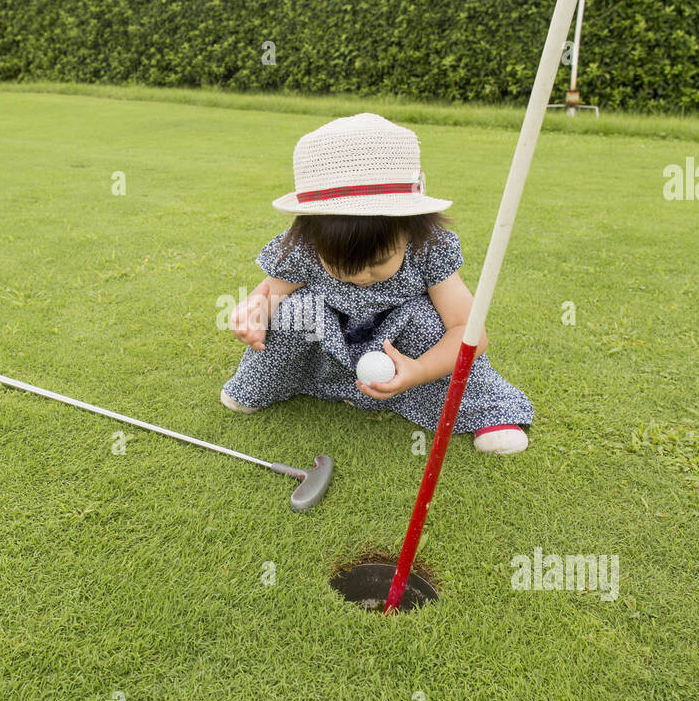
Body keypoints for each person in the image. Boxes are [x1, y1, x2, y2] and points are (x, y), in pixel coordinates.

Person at [223, 113, 532, 454]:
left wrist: (419, 370)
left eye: (377, 263)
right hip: (330, 350)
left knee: (433, 328)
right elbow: (269, 293)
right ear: (309, 233)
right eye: (341, 265)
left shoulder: (429, 248)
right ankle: (264, 386)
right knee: (292, 311)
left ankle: (487, 412)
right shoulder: (302, 248)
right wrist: (254, 312)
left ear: (411, 228)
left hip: (405, 350)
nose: (359, 277)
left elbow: (468, 331)